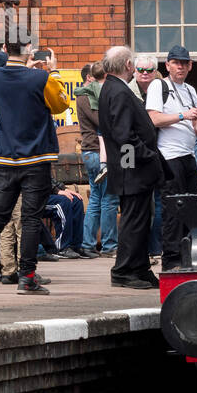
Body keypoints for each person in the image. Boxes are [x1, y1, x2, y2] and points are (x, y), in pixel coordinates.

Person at [0, 43, 71, 295]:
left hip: (5, 157)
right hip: (36, 157)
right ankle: (27, 277)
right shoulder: (41, 78)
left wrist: (24, 68)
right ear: (29, 49)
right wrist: (53, 72)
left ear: (4, 47)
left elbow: (9, 93)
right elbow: (60, 104)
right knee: (31, 219)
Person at [98, 46, 168, 289]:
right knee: (134, 220)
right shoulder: (118, 92)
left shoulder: (114, 88)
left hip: (132, 167)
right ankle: (124, 270)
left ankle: (139, 267)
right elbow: (123, 134)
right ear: (129, 65)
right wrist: (146, 154)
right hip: (132, 169)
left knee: (140, 219)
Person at [146, 44, 197, 270]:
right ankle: (171, 261)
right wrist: (183, 114)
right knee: (172, 209)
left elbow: (195, 129)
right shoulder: (158, 86)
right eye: (176, 63)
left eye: (184, 63)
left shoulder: (190, 90)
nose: (180, 67)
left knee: (190, 207)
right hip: (169, 155)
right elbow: (154, 119)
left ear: (190, 66)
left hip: (189, 154)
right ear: (167, 65)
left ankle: (187, 257)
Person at [76, 62, 116, 255]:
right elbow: (102, 121)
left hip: (92, 151)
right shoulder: (86, 96)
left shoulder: (85, 95)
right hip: (96, 151)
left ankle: (88, 244)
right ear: (89, 79)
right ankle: (109, 245)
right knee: (109, 199)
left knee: (97, 198)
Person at [129, 54, 164, 260]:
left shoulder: (161, 91)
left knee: (159, 203)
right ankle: (139, 251)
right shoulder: (127, 92)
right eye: (140, 70)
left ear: (155, 71)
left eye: (148, 70)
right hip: (136, 155)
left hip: (159, 152)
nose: (144, 74)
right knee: (140, 205)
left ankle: (154, 247)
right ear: (133, 70)